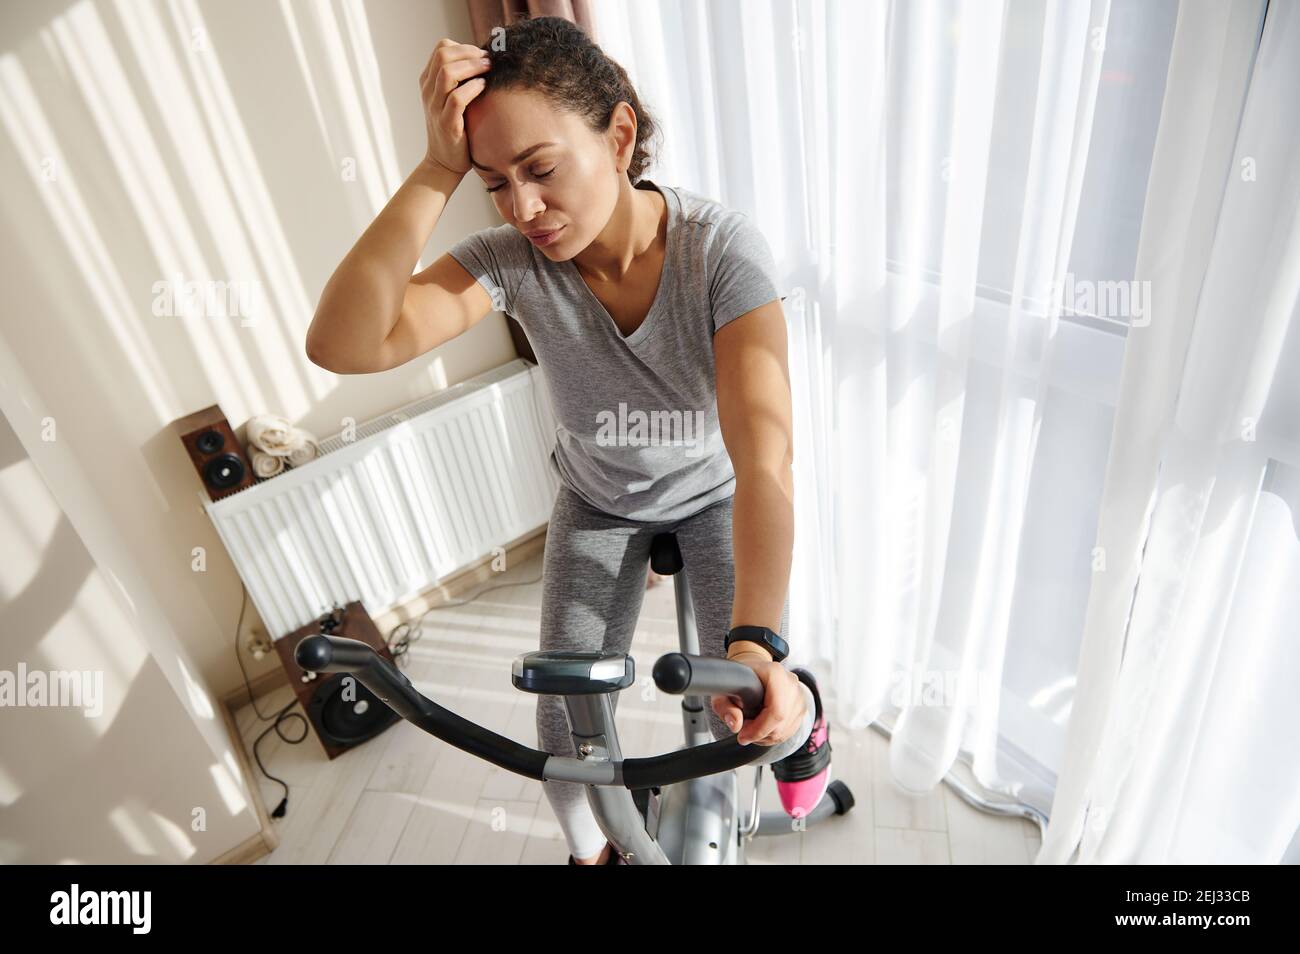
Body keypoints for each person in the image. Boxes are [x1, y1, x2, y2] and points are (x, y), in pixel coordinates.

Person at [305, 16, 831, 865]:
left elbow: (765, 459)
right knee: (564, 738)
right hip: (599, 499)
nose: (524, 209)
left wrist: (756, 643)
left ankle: (806, 709)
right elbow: (345, 342)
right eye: (494, 184)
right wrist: (440, 168)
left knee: (744, 707)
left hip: (715, 492)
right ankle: (600, 858)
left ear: (619, 135)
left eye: (542, 170)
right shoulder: (512, 261)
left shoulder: (723, 254)